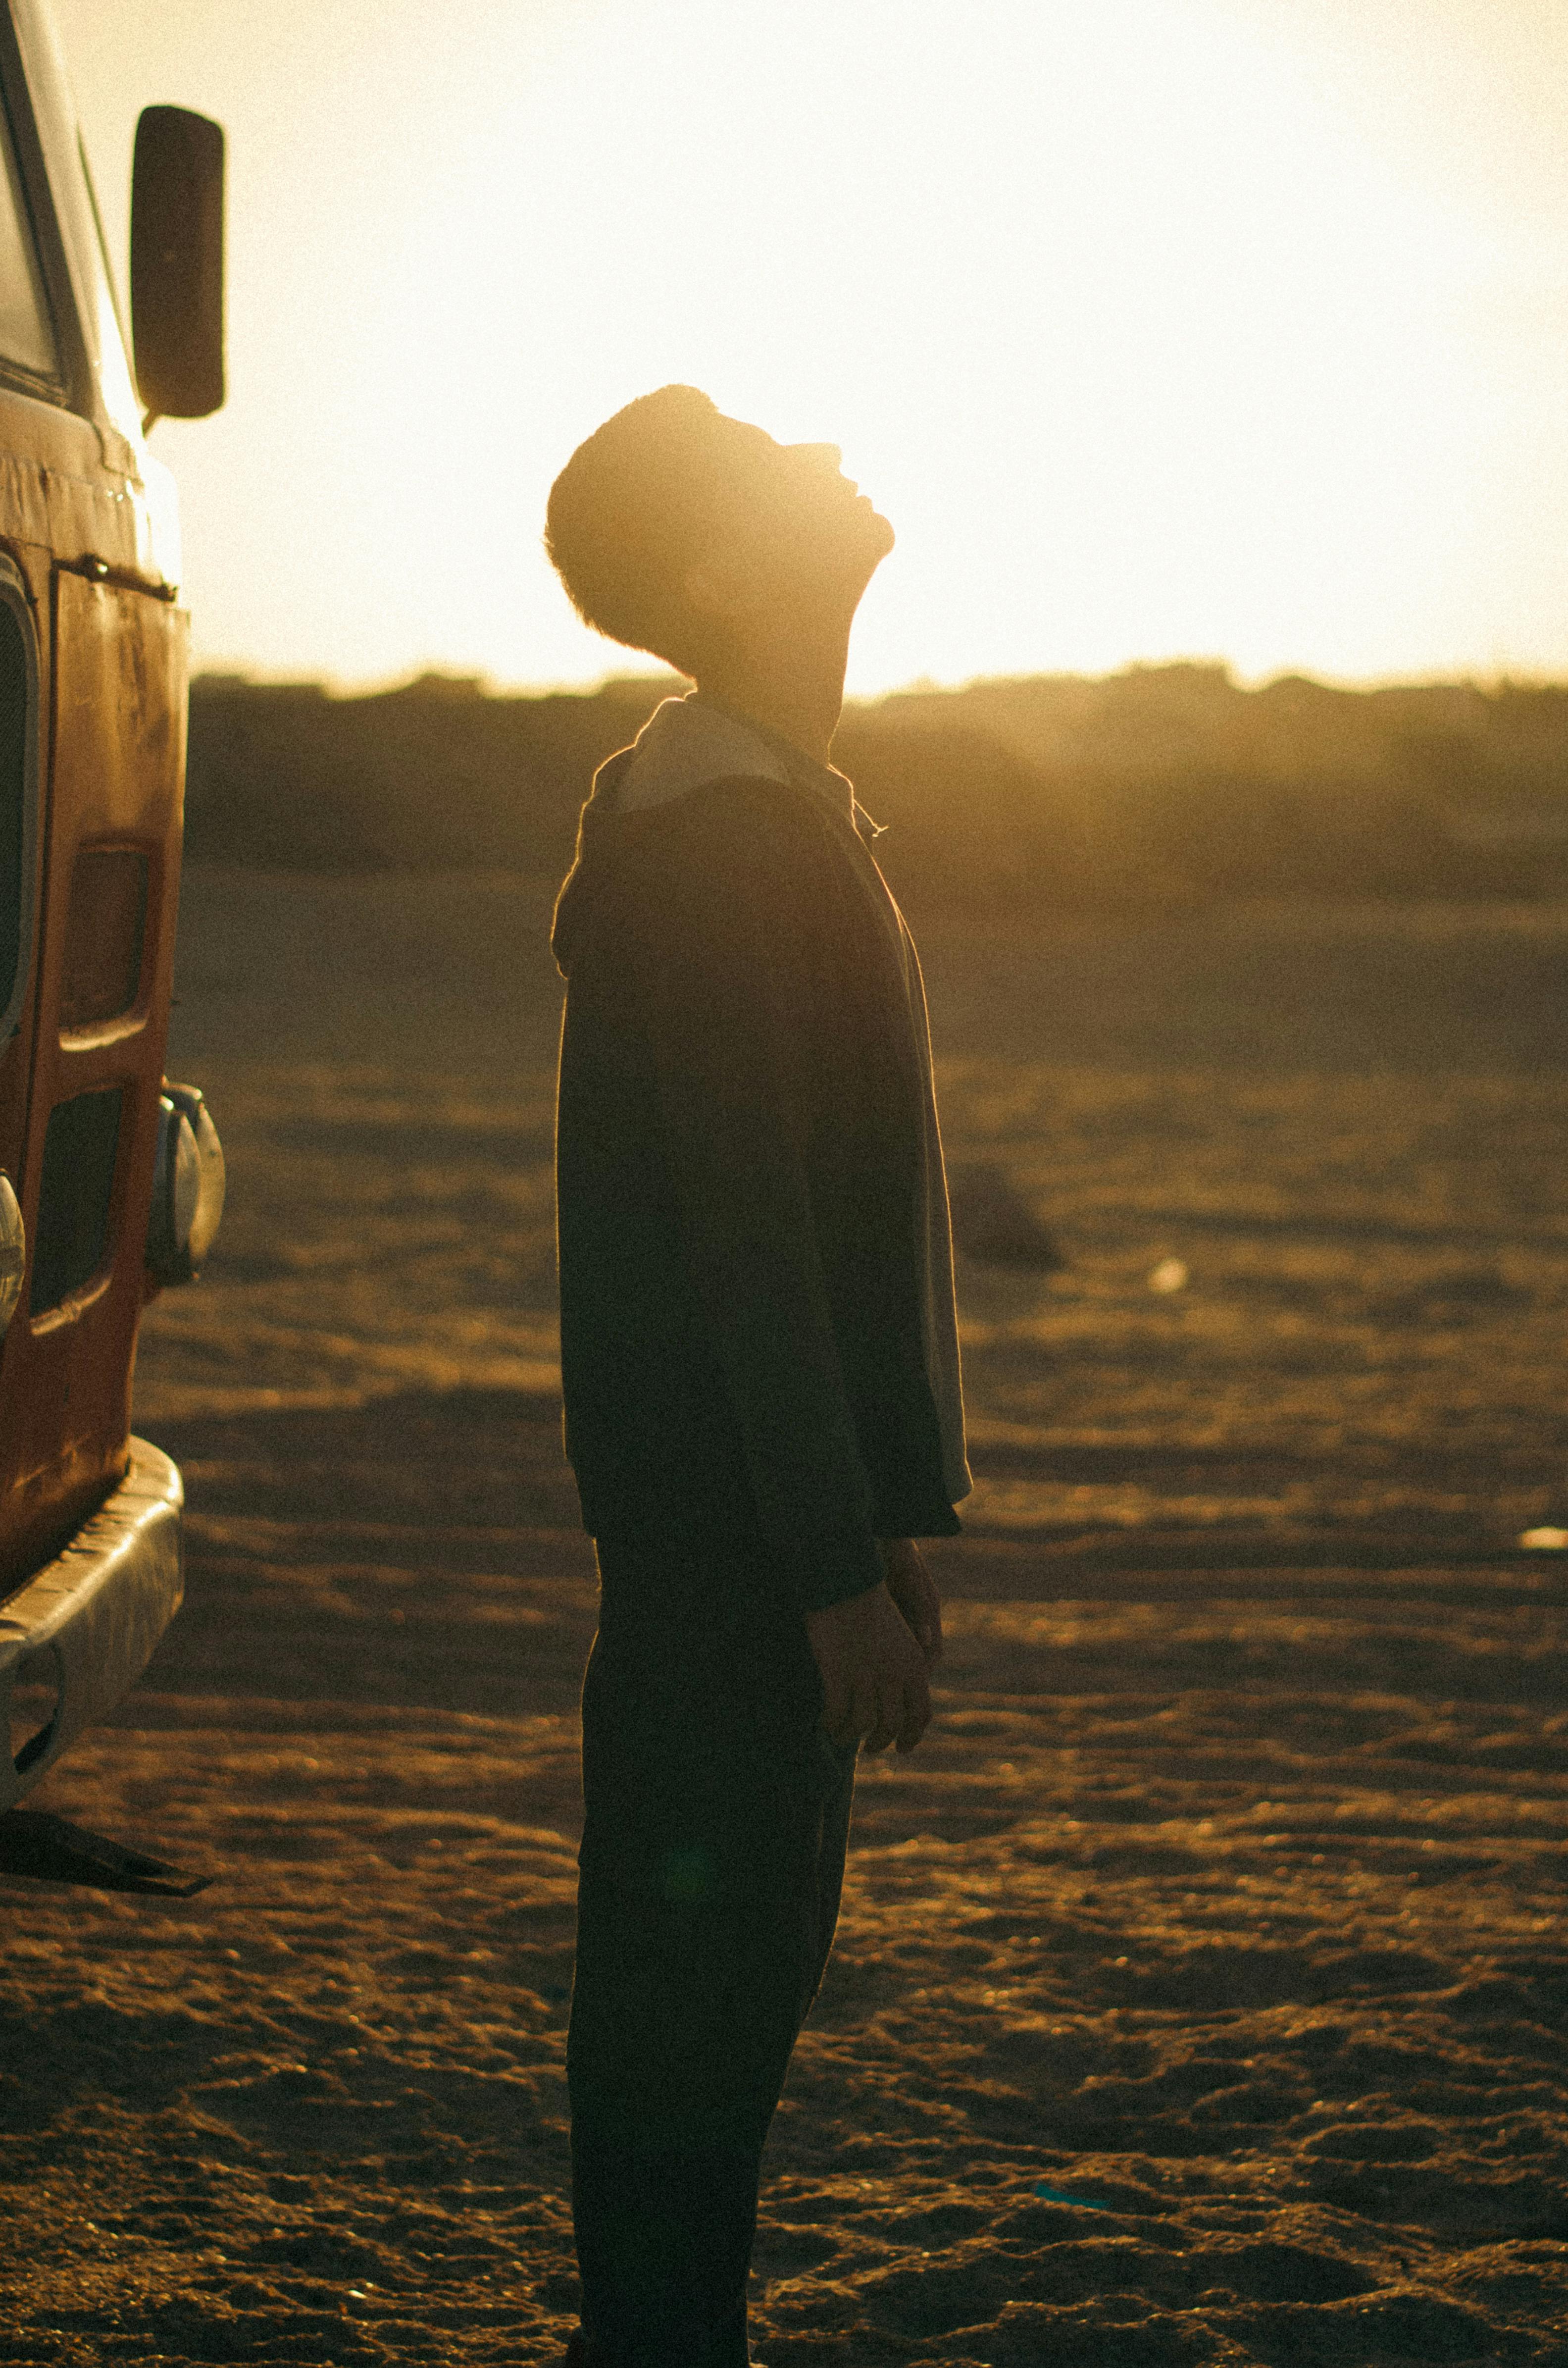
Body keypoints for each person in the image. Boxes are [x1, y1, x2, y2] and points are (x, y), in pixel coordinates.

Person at [545, 385, 970, 2368]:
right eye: (761, 459)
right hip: (730, 1538)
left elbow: (811, 1214)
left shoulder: (767, 806)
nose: (820, 456)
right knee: (692, 2003)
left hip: (764, 1527)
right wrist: (825, 1562)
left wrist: (883, 1519)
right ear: (723, 574)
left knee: (729, 1994)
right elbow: (750, 1240)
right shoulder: (721, 840)